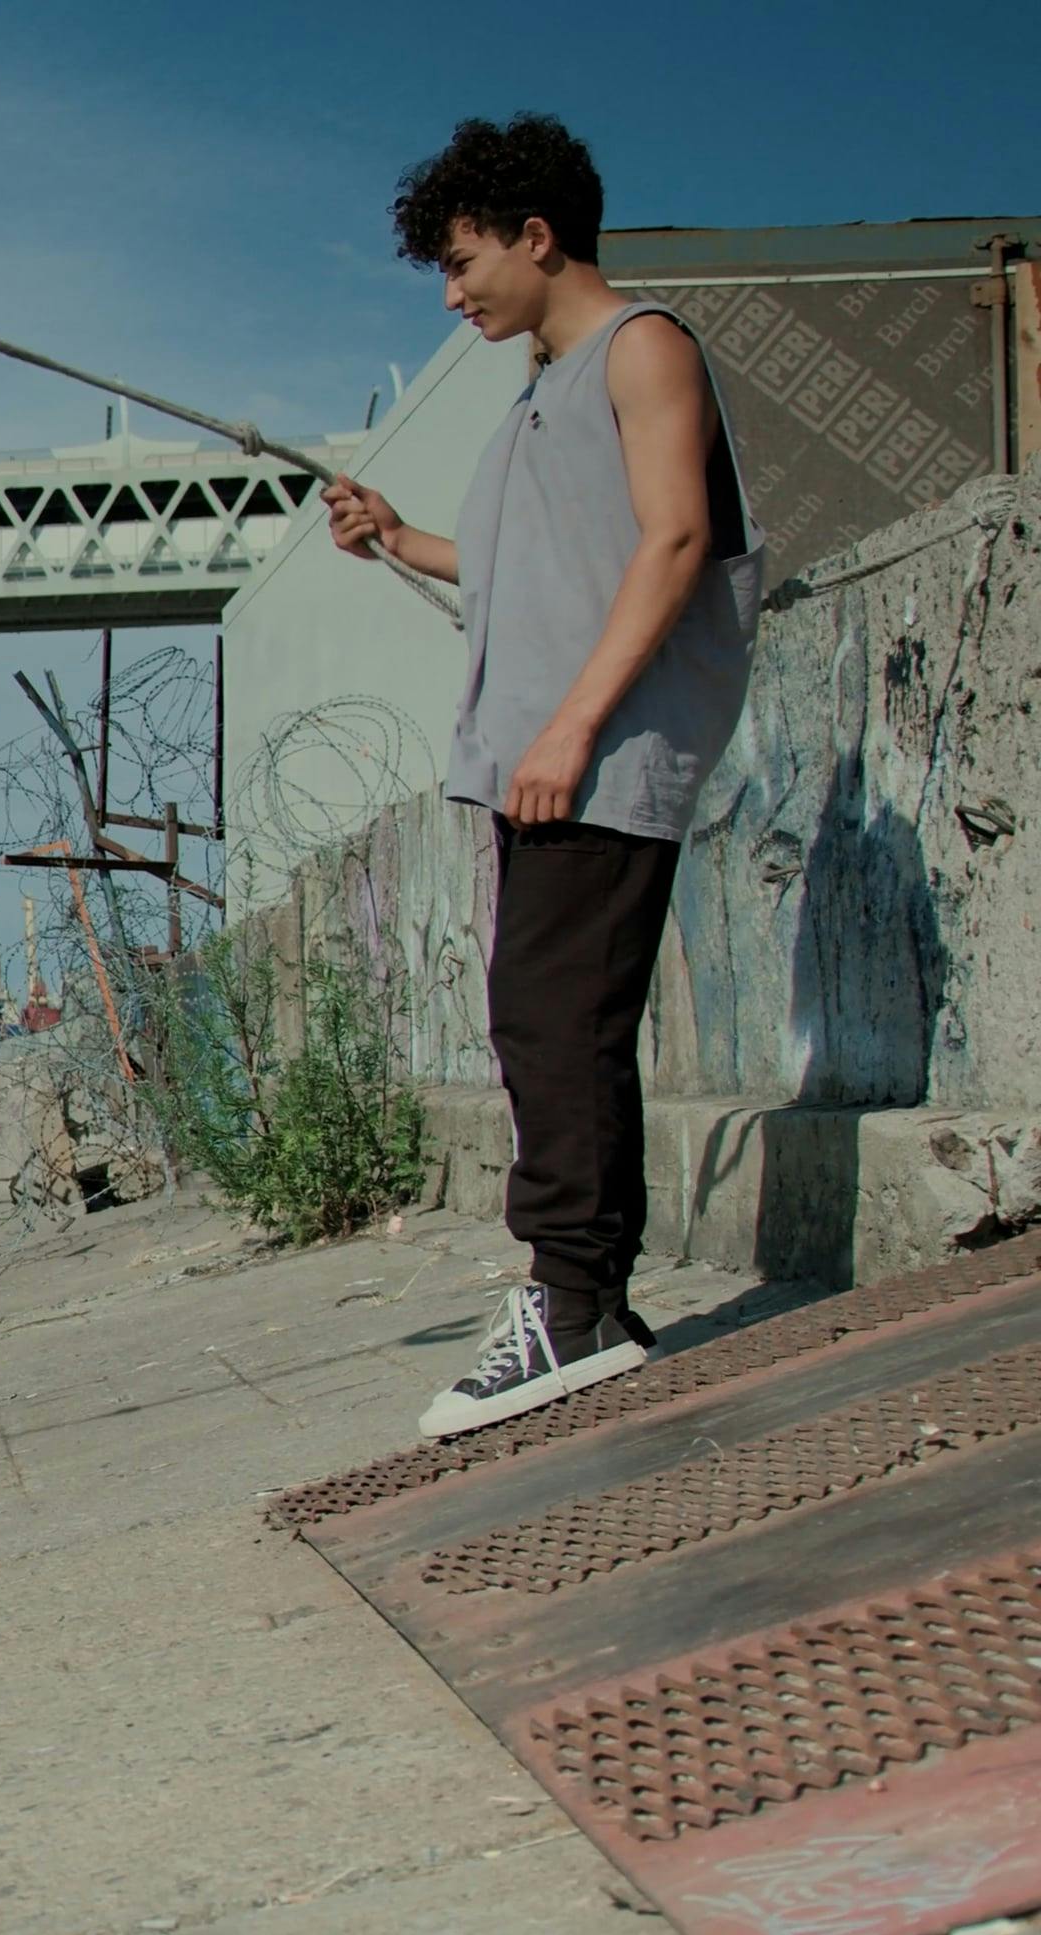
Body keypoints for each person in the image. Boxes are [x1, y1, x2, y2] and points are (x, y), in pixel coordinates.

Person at [322, 114, 762, 1441]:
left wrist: (572, 728)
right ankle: (590, 1305)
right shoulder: (542, 392)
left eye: (464, 265)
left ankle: (569, 1307)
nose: (454, 295)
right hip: (552, 764)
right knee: (544, 1022)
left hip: (604, 755)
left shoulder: (642, 348)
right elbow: (533, 573)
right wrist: (400, 539)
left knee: (554, 1023)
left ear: (537, 233)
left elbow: (679, 536)